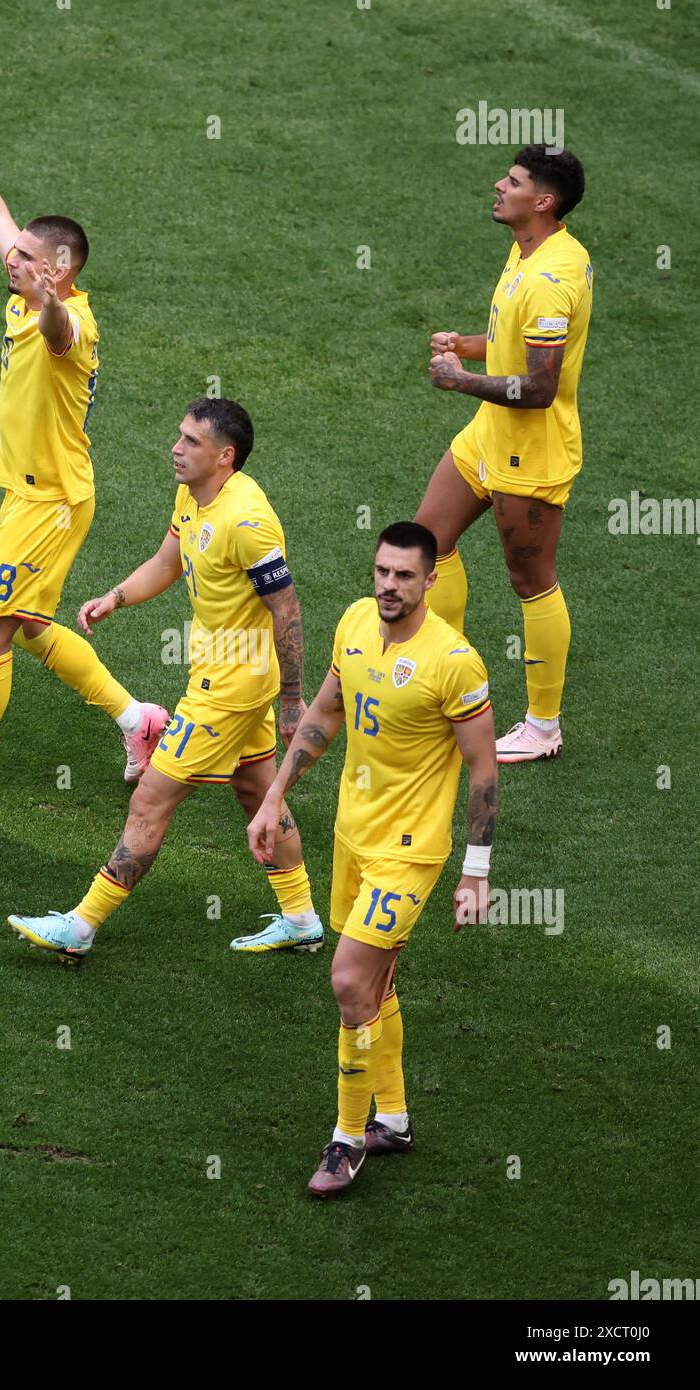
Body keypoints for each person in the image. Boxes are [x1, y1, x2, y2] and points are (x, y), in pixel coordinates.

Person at [0, 86, 167, 805]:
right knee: (25, 625)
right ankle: (137, 720)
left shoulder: (70, 324)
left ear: (61, 269)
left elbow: (61, 337)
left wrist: (49, 305)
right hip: (35, 492)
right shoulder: (26, 287)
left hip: (48, 500)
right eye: (15, 253)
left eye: (24, 256)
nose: (9, 258)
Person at [7, 398, 323, 961]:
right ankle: (301, 918)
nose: (176, 449)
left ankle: (81, 927)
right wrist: (116, 597)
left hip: (230, 687)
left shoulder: (248, 523)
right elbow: (168, 561)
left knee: (150, 799)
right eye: (179, 436)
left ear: (225, 456)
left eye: (191, 442)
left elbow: (288, 609)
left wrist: (295, 698)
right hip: (229, 677)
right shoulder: (193, 494)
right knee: (255, 791)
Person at [246, 522, 497, 1197]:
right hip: (353, 839)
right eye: (382, 572)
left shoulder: (454, 662)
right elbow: (324, 714)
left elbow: (482, 770)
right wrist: (272, 798)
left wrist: (475, 872)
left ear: (429, 581)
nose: (389, 586)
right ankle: (394, 1118)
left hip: (409, 855)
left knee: (349, 982)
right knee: (376, 988)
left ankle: (345, 1140)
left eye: (403, 576)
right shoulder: (356, 622)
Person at [414, 144, 592, 763]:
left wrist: (459, 381)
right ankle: (447, 678)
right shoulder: (530, 250)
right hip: (489, 434)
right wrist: (467, 345)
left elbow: (541, 388)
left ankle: (543, 726)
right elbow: (515, 345)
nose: (498, 185)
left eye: (512, 182)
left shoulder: (550, 280)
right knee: (427, 538)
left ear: (542, 201)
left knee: (530, 580)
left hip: (532, 453)